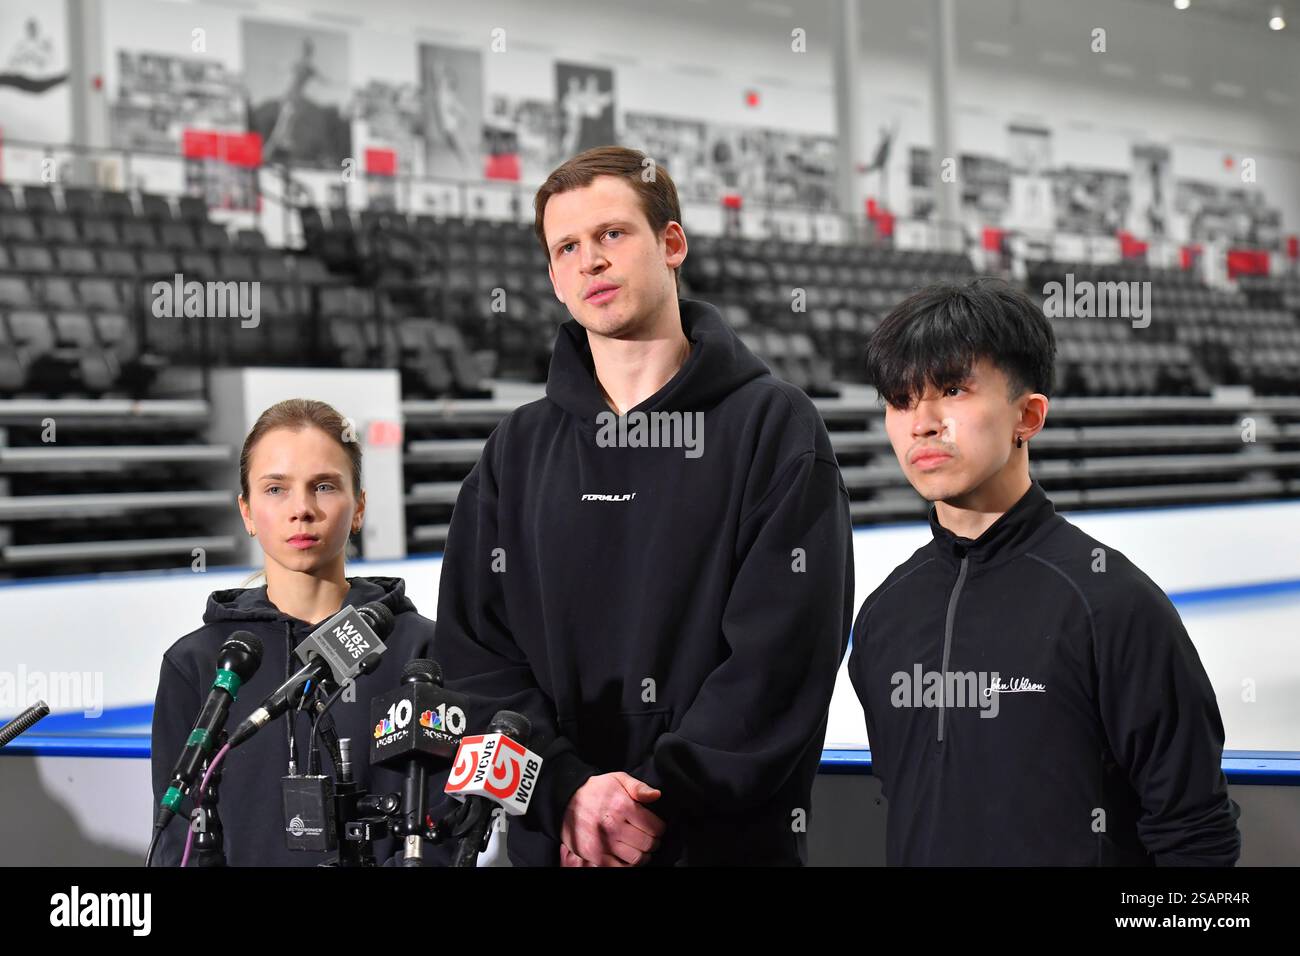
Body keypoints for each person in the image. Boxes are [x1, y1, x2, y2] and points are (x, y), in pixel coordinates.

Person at [431, 146, 853, 866]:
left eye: (612, 235)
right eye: (567, 247)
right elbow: (474, 660)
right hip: (556, 847)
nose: (590, 260)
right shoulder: (516, 450)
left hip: (718, 852)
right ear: (555, 277)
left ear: (672, 243)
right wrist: (562, 792)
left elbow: (780, 661)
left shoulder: (773, 428)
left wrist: (647, 804)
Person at [847, 279, 1241, 865]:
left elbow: (1195, 834)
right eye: (900, 400)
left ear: (1027, 416)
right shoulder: (883, 617)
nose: (922, 422)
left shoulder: (1113, 604)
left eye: (952, 390)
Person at [150, 399, 437, 865]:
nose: (301, 509)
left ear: (359, 506)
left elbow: (439, 829)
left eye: (323, 486)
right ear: (246, 511)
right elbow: (177, 841)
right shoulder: (197, 664)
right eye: (276, 489)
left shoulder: (420, 649)